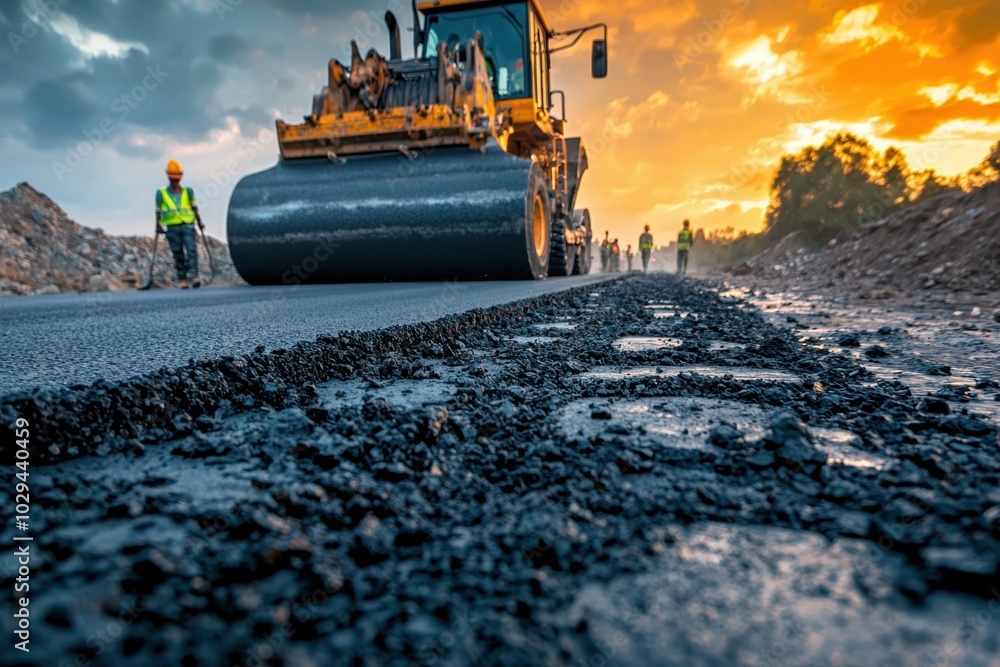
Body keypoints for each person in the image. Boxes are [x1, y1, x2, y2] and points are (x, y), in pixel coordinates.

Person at [156, 159, 205, 289]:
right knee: (177, 253)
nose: (175, 181)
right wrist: (158, 225)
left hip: (188, 225)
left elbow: (194, 207)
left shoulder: (188, 191)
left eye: (177, 179)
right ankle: (182, 279)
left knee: (191, 250)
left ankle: (194, 276)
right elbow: (158, 211)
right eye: (173, 179)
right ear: (168, 177)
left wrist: (199, 222)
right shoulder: (161, 193)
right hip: (172, 227)